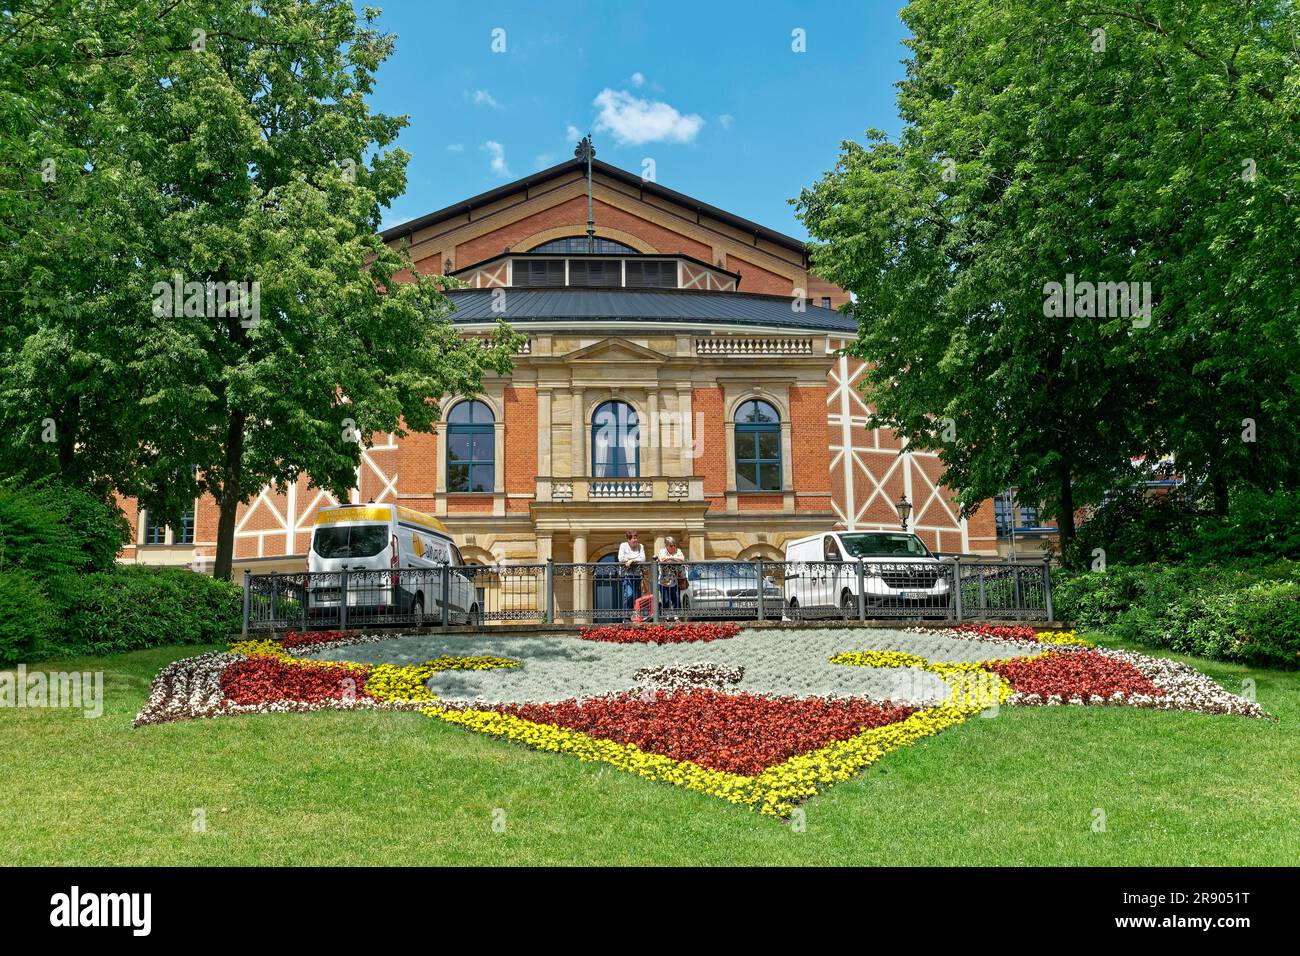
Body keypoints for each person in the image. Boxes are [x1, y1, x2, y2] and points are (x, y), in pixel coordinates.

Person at [617, 530, 645, 619]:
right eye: (634, 538)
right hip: (626, 574)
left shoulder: (641, 546)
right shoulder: (623, 545)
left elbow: (643, 559)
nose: (635, 540)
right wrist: (634, 559)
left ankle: (637, 615)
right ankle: (626, 615)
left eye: (636, 538)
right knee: (629, 594)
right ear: (629, 539)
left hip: (637, 574)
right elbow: (620, 558)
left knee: (637, 596)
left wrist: (631, 561)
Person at [657, 536, 687, 618]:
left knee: (676, 598)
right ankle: (666, 616)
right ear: (666, 546)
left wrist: (670, 557)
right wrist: (674, 559)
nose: (673, 547)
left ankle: (676, 616)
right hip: (663, 581)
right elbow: (661, 559)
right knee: (665, 600)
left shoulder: (678, 551)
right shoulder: (662, 551)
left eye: (674, 545)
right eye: (671, 546)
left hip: (675, 580)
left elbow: (682, 559)